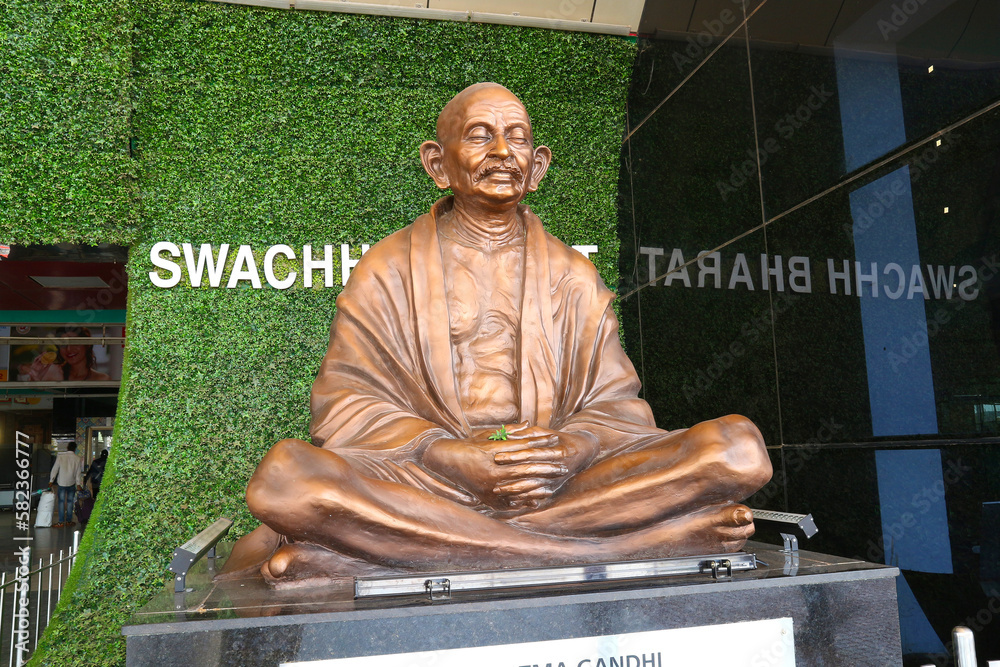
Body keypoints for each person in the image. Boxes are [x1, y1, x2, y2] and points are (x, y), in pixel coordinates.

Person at [223, 83, 772, 587]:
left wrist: (569, 448)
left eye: (517, 138)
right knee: (285, 478)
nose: (502, 152)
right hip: (428, 479)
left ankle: (405, 550)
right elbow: (346, 405)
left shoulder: (572, 276)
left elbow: (615, 407)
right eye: (480, 136)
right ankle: (627, 546)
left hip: (560, 480)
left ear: (537, 167)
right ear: (437, 163)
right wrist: (446, 454)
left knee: (739, 448)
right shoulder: (388, 268)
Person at [49, 442, 83, 528]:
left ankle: (60, 522)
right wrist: (78, 484)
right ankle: (68, 521)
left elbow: (55, 469)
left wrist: (51, 480)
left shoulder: (60, 456)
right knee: (70, 502)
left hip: (61, 483)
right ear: (75, 449)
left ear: (67, 447)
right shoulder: (77, 458)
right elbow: (78, 473)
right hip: (71, 483)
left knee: (61, 502)